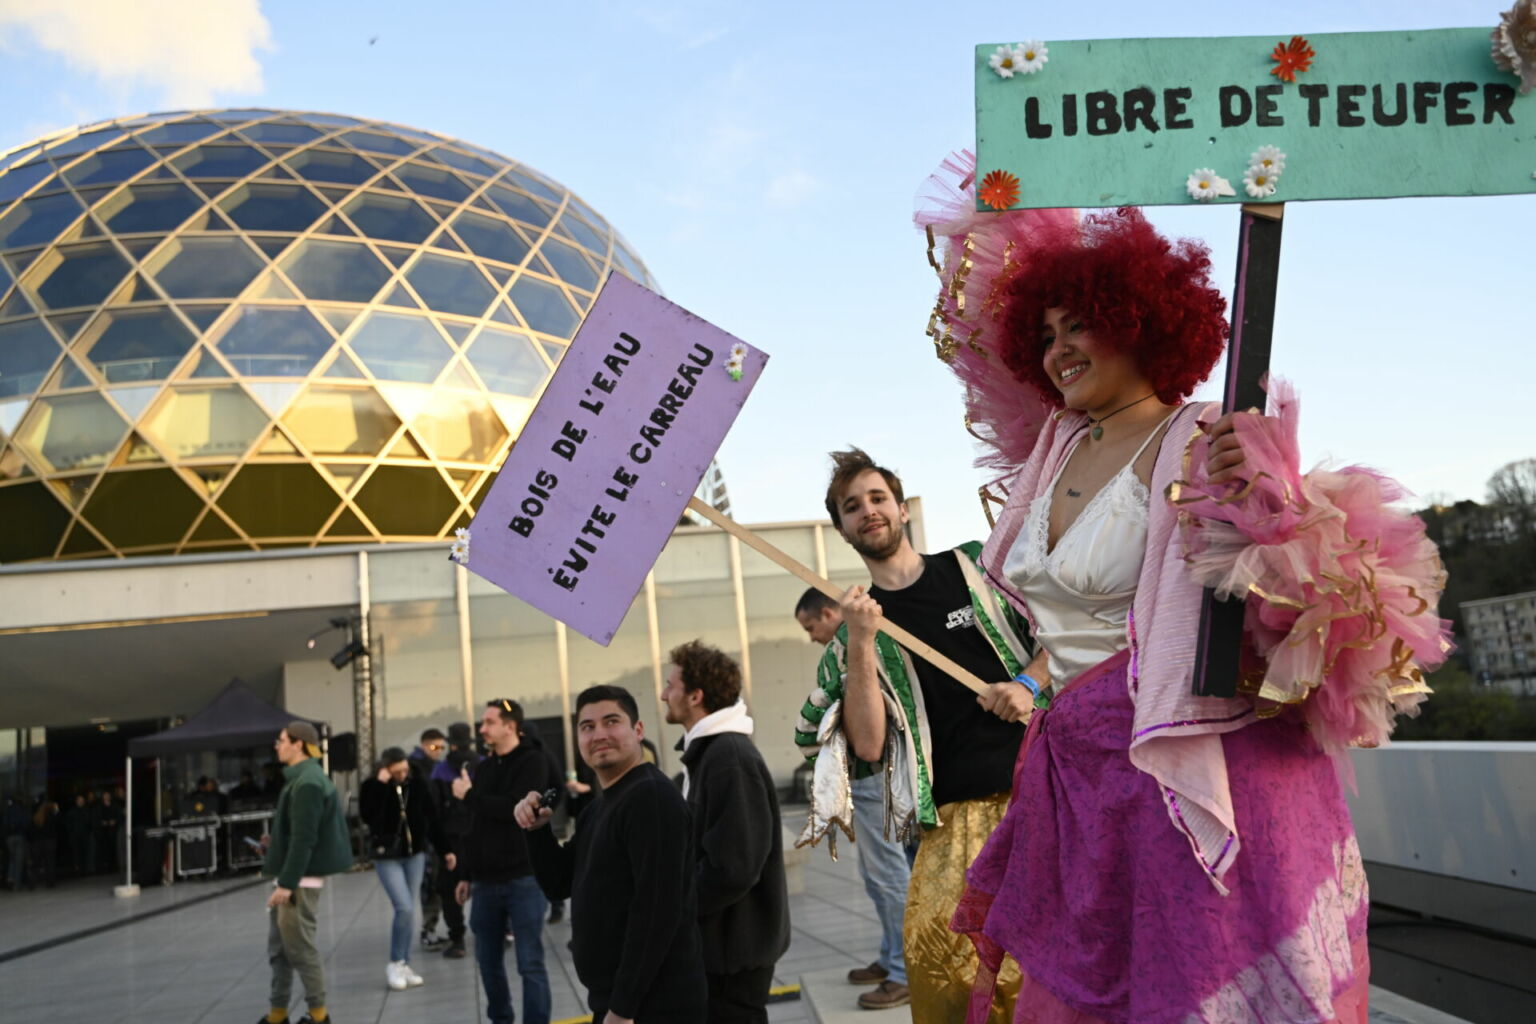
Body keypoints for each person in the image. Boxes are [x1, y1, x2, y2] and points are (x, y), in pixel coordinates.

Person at [915, 169, 1451, 1023]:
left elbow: (1287, 595)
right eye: (1045, 334)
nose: (1059, 349)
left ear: (1141, 322)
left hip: (1187, 768)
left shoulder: (1203, 433)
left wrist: (1265, 503)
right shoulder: (1050, 451)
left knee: (1194, 994)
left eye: (1080, 324)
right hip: (1079, 783)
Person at [799, 447, 1038, 1022]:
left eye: (877, 498)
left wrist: (1028, 682)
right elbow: (869, 746)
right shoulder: (856, 631)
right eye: (851, 507)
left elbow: (1061, 628)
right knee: (951, 987)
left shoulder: (977, 568)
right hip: (949, 826)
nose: (868, 511)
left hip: (1038, 802)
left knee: (1057, 971)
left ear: (901, 509)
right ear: (843, 529)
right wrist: (859, 641)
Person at [517, 684, 706, 1024]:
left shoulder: (650, 797)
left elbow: (656, 911)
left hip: (654, 1005)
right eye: (587, 727)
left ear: (638, 731)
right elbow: (559, 883)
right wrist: (537, 832)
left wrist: (623, 1008)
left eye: (611, 722)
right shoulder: (600, 805)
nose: (599, 734)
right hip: (620, 1003)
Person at [793, 587, 916, 1007]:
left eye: (812, 626)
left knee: (888, 874)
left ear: (830, 612)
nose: (811, 636)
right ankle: (892, 956)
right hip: (874, 770)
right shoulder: (854, 643)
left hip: (874, 768)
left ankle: (905, 971)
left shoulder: (855, 643)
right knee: (879, 874)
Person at [660, 640, 790, 1023]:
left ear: (696, 696)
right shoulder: (710, 755)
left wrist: (676, 911)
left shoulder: (728, 758)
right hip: (720, 950)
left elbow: (733, 867)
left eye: (671, 686)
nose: (664, 694)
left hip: (732, 956)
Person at [452, 700, 552, 1024]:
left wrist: (469, 796)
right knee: (487, 962)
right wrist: (465, 873)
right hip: (484, 882)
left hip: (523, 877)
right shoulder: (483, 767)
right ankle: (501, 1019)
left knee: (530, 963)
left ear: (510, 726)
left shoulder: (532, 761)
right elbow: (475, 825)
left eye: (489, 722)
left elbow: (514, 810)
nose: (482, 729)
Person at [260, 721, 353, 1024]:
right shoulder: (302, 779)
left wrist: (286, 884)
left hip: (298, 881)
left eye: (281, 739)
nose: (277, 744)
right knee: (280, 952)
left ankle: (318, 1015)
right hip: (293, 877)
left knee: (299, 950)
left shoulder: (308, 782)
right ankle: (277, 1014)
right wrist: (276, 844)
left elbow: (305, 839)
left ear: (298, 744)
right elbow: (298, 834)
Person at [361, 746, 454, 991]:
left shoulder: (418, 783)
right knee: (403, 907)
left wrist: (446, 850)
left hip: (415, 855)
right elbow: (369, 817)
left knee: (410, 909)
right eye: (397, 771)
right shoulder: (372, 786)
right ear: (386, 769)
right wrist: (381, 787)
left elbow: (431, 819)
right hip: (387, 856)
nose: (403, 774)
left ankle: (404, 963)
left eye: (405, 769)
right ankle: (395, 962)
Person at [430, 722, 479, 958]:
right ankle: (500, 931)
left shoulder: (440, 770)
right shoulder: (482, 764)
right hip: (480, 834)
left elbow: (434, 810)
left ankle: (457, 938)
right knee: (486, 884)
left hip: (451, 839)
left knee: (449, 890)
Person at [410, 727, 448, 950]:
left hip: (434, 831)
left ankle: (431, 927)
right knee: (430, 883)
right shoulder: (415, 767)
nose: (438, 751)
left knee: (436, 882)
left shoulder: (436, 767)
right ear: (424, 745)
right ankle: (428, 928)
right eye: (434, 747)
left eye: (441, 747)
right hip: (425, 834)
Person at [3, 793, 29, 890]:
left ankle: (10, 875)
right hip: (19, 836)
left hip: (9, 838)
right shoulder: (21, 809)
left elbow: (5, 824)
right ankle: (16, 885)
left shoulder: (8, 810)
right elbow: (25, 823)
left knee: (12, 858)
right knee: (18, 861)